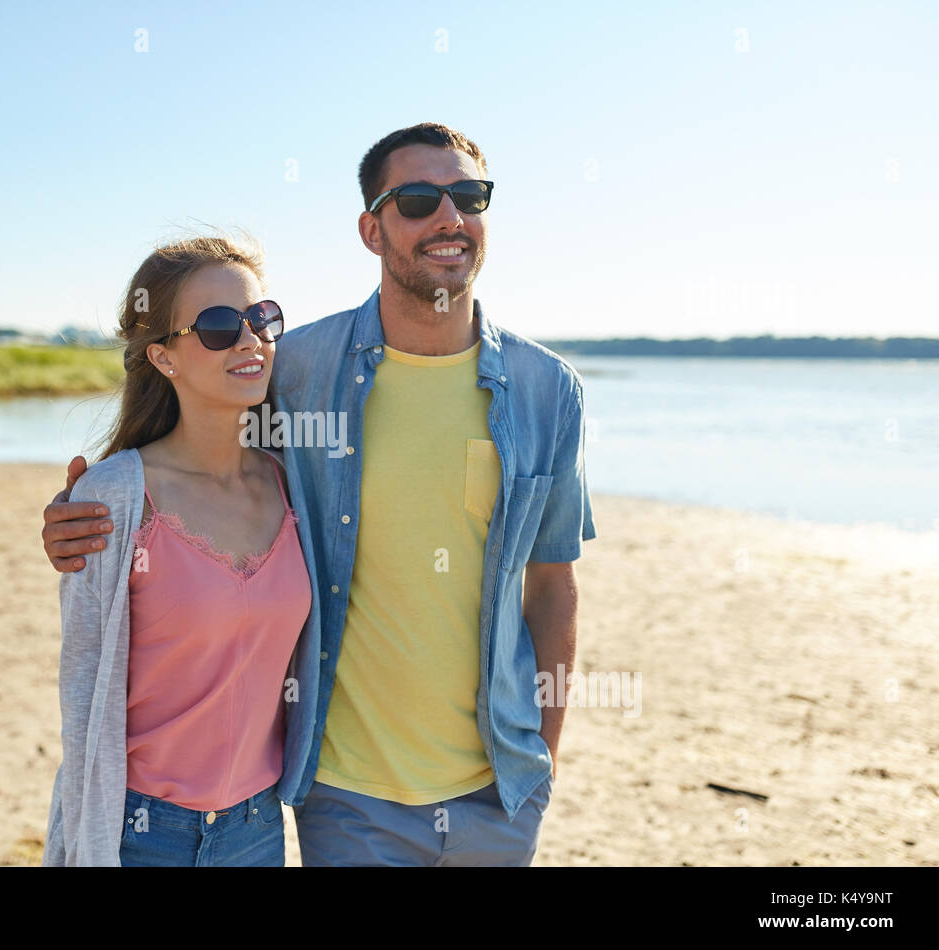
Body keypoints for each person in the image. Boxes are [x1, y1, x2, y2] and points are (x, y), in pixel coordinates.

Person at [42, 123, 596, 866]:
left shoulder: (546, 391)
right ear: (372, 229)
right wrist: (79, 515)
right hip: (342, 792)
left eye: (468, 196)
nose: (449, 217)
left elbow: (553, 586)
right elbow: (191, 444)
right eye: (420, 199)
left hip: (497, 793)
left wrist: (543, 761)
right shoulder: (299, 371)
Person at [41, 233, 310, 866]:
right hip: (139, 832)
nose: (250, 341)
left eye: (261, 318)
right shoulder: (115, 495)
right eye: (218, 326)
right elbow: (83, 685)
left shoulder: (293, 483)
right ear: (163, 357)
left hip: (258, 830)